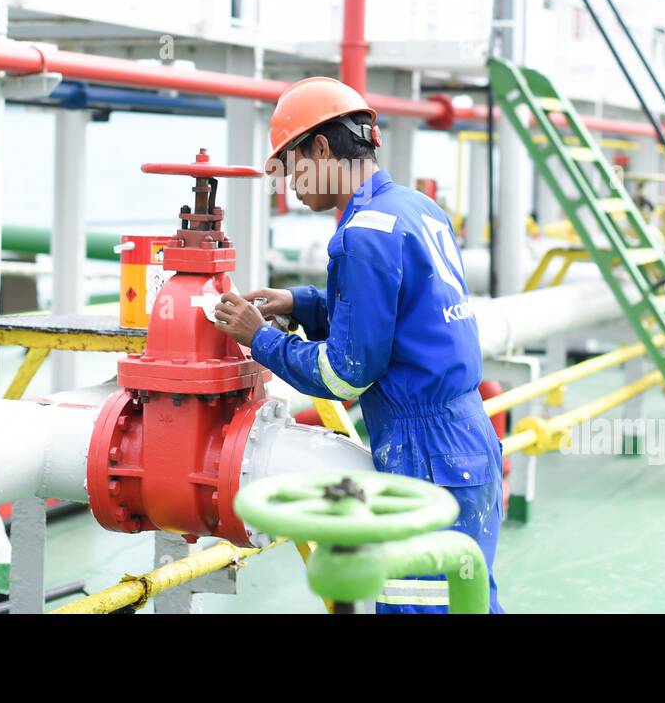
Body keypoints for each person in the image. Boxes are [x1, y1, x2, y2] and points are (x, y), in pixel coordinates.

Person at [213, 76, 504, 614]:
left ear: (322, 149)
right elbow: (398, 321)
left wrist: (259, 340)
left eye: (291, 165)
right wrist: (301, 304)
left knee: (421, 604)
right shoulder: (414, 208)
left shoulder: (362, 235)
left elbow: (346, 374)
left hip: (425, 455)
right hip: (468, 441)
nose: (290, 184)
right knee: (467, 598)